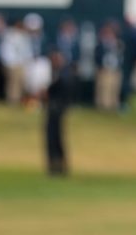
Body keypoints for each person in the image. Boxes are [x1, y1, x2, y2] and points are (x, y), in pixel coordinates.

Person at [44, 19, 79, 175]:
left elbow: (61, 91)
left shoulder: (64, 75)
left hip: (58, 109)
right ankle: (53, 165)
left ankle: (59, 165)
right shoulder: (55, 73)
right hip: (53, 109)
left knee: (56, 138)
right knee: (50, 139)